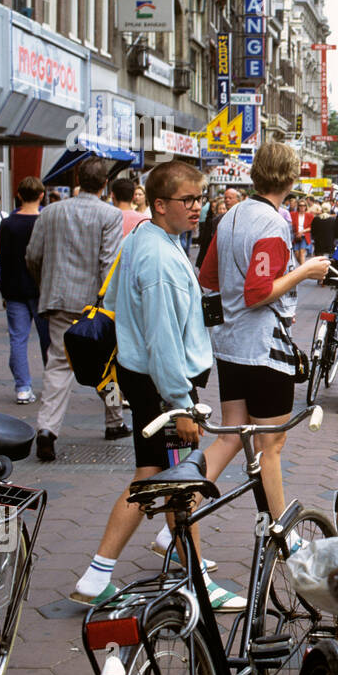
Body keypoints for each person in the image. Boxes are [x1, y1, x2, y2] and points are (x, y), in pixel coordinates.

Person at [71, 160, 242, 611]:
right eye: (188, 200)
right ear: (160, 204)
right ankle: (198, 582)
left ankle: (98, 575)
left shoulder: (146, 239)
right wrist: (182, 406)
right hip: (160, 387)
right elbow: (163, 342)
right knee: (181, 482)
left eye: (199, 199)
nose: (197, 208)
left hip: (145, 380)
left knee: (155, 476)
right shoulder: (161, 259)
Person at [199, 142, 330, 522]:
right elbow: (257, 293)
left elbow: (208, 278)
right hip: (263, 348)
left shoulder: (231, 214)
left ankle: (180, 518)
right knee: (270, 444)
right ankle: (280, 533)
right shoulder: (273, 222)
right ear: (290, 178)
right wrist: (305, 272)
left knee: (230, 438)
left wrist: (222, 325)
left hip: (229, 346)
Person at [26, 156, 131, 461]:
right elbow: (108, 262)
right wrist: (107, 303)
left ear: (77, 180)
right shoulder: (110, 215)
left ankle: (47, 429)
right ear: (105, 184)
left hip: (57, 299)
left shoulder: (51, 212)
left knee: (58, 364)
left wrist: (46, 283)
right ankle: (114, 421)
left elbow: (32, 255)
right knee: (105, 364)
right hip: (94, 306)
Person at [0, 177, 50, 405]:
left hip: (15, 288)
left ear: (18, 195)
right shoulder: (45, 221)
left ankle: (22, 387)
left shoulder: (8, 224)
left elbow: (3, 258)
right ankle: (51, 386)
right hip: (42, 289)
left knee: (18, 339)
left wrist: (2, 290)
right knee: (48, 340)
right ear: (41, 195)